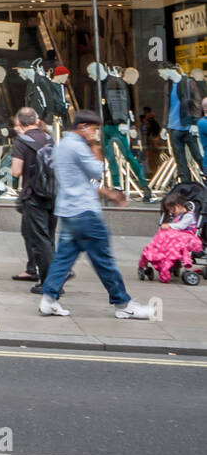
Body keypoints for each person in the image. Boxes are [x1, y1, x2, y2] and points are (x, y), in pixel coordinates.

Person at [38, 110, 154, 319]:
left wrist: (107, 193)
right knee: (104, 260)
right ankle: (123, 303)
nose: (96, 133)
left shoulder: (63, 144)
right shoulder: (78, 146)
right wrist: (94, 145)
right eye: (94, 129)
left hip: (68, 210)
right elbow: (96, 170)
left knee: (64, 258)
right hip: (85, 212)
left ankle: (48, 300)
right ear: (83, 127)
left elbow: (77, 180)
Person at [10, 107, 57, 293]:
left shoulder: (22, 142)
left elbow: (16, 171)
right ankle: (51, 277)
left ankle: (50, 283)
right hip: (53, 194)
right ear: (37, 122)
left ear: (20, 124)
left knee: (40, 240)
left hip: (34, 195)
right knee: (50, 238)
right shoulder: (48, 138)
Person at [138, 191, 202, 282]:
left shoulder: (189, 216)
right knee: (163, 235)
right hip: (176, 236)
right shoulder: (177, 216)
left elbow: (181, 226)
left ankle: (168, 261)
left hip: (187, 236)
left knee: (168, 235)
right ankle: (157, 254)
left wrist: (169, 225)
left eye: (172, 209)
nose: (171, 212)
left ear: (179, 206)